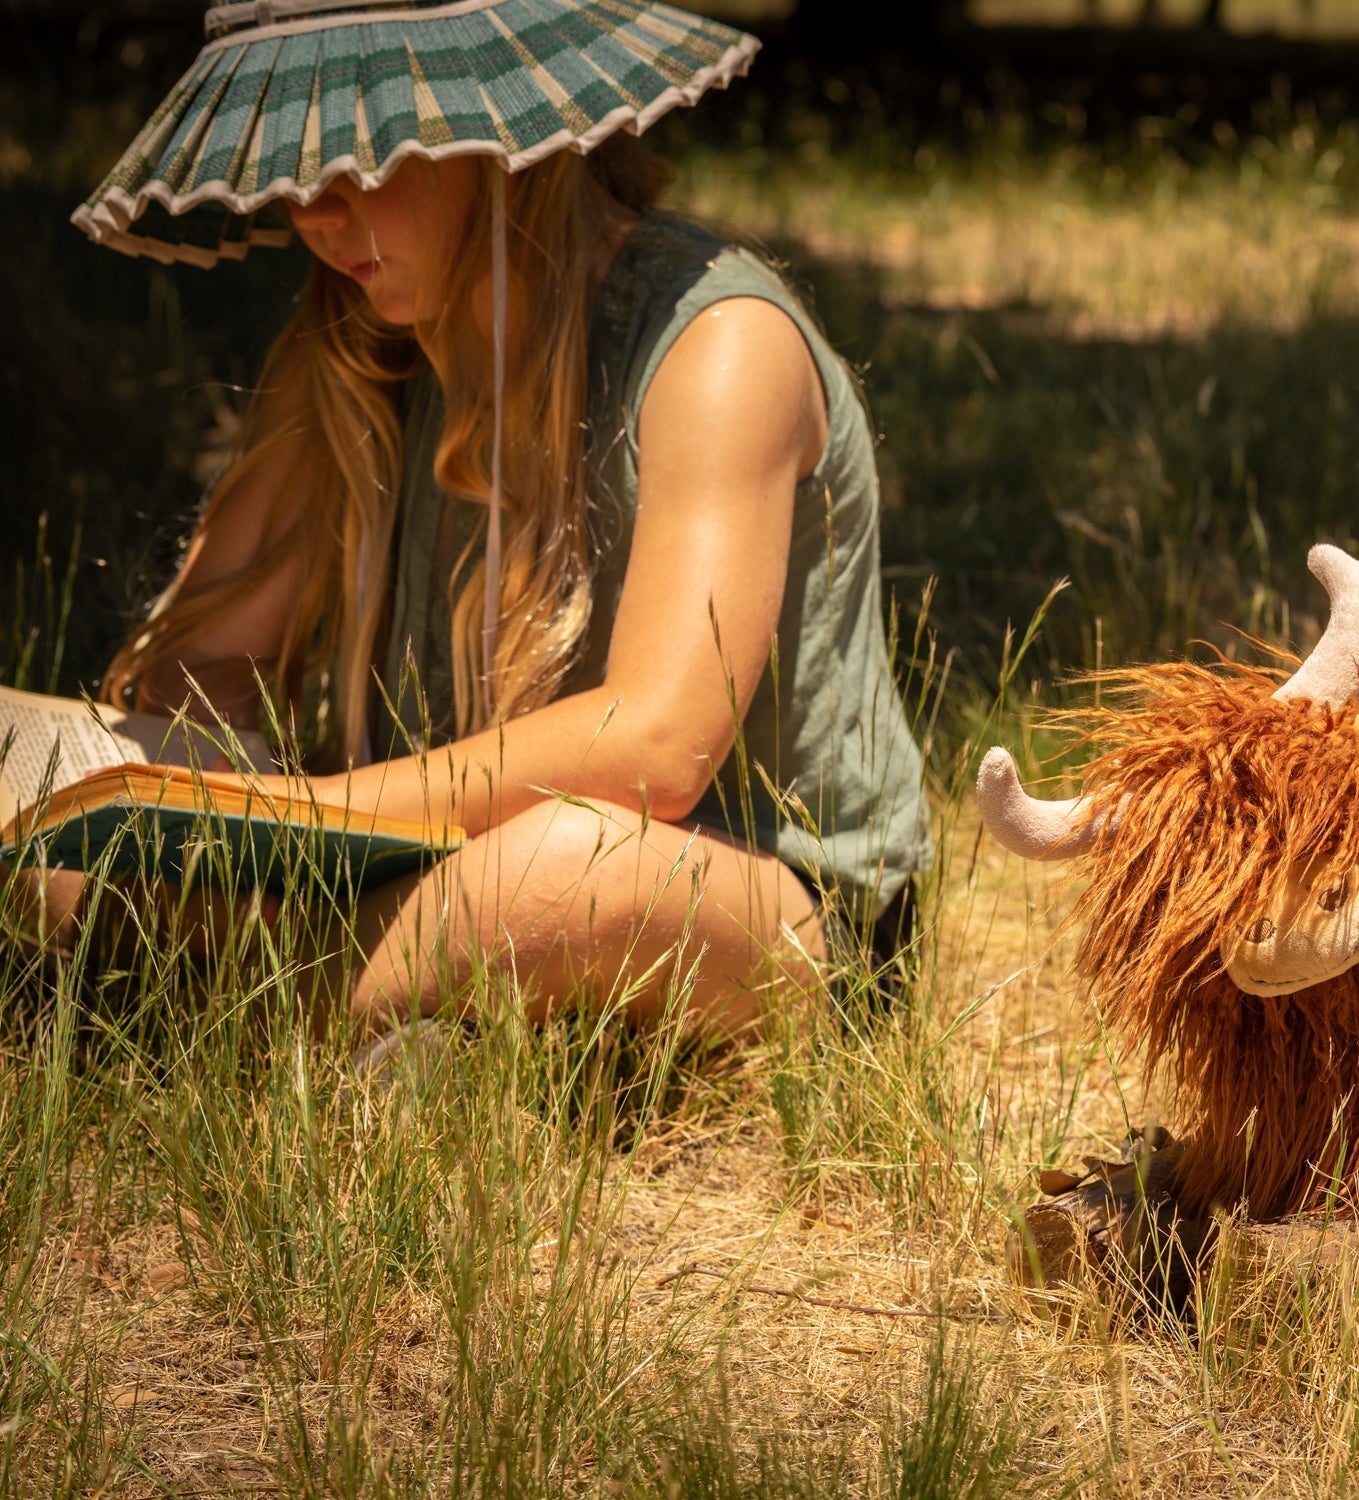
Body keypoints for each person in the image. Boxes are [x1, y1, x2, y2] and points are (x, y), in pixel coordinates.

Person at [55, 0, 930, 1040]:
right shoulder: (350, 347)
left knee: (562, 878)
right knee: (44, 796)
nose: (316, 214)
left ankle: (229, 1003)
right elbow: (198, 666)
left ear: (490, 126)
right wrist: (210, 767)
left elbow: (657, 745)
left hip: (749, 888)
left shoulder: (718, 342)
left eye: (359, 154)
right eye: (298, 164)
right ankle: (393, 1003)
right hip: (424, 856)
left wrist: (314, 815)